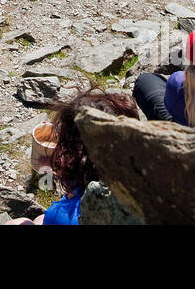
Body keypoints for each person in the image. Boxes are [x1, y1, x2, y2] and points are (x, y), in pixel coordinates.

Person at [16, 87, 139, 225]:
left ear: (73, 157)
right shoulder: (140, 176)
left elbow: (59, 213)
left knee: (24, 222)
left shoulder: (62, 215)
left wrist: (50, 170)